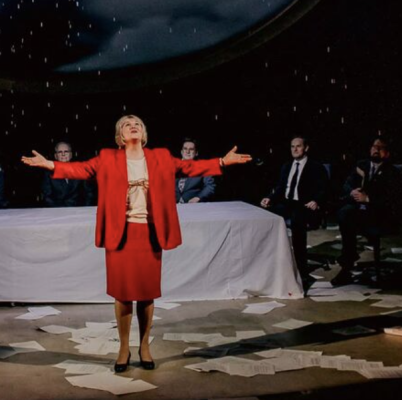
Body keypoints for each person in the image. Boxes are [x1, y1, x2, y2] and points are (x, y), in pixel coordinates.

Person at [21, 115, 251, 372]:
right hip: (120, 234)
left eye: (137, 124)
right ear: (120, 135)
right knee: (122, 294)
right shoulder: (107, 157)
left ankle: (144, 346)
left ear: (144, 133)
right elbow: (82, 169)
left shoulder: (160, 156)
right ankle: (123, 348)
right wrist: (49, 164)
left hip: (149, 233)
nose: (133, 126)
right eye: (127, 124)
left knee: (146, 293)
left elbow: (189, 168)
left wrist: (222, 162)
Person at [332, 136, 400, 286]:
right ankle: (347, 265)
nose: (376, 150)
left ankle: (348, 262)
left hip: (379, 213)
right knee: (344, 213)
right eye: (374, 147)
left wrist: (368, 198)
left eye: (380, 148)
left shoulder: (392, 172)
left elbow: (392, 199)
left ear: (387, 153)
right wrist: (352, 191)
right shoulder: (361, 165)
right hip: (358, 210)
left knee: (350, 218)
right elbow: (347, 184)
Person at [260, 136, 328, 285]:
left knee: (297, 220)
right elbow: (280, 188)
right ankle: (270, 263)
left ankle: (301, 271)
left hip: (304, 205)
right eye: (292, 146)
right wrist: (269, 198)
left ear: (306, 148)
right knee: (264, 215)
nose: (295, 149)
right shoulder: (287, 166)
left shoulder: (315, 167)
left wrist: (316, 201)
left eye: (298, 146)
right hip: (287, 203)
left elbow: (324, 189)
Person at [41, 141, 95, 207]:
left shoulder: (80, 170)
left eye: (66, 151)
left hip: (78, 210)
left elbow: (88, 193)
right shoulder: (48, 173)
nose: (63, 154)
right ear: (55, 156)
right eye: (60, 152)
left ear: (71, 155)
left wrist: (85, 209)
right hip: (57, 210)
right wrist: (58, 211)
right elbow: (47, 197)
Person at [175, 138, 216, 203]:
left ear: (196, 153)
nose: (187, 152)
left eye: (191, 149)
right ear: (181, 152)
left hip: (194, 207)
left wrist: (198, 197)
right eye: (185, 149)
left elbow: (210, 186)